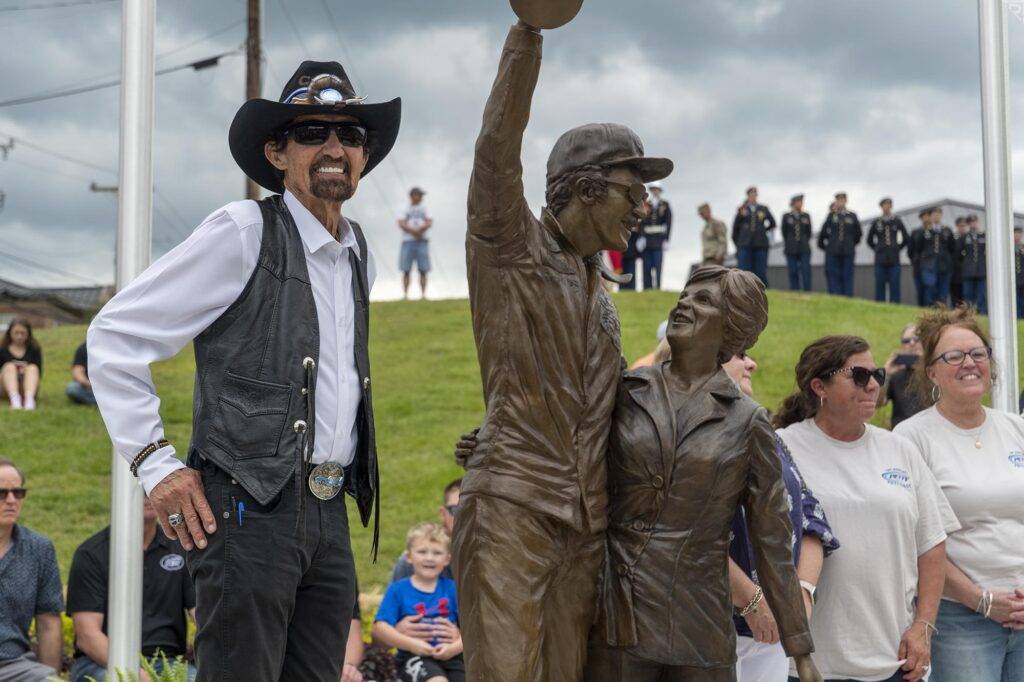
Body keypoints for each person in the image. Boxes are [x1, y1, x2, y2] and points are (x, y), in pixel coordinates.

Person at [87, 61, 397, 681]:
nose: (336, 148)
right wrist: (157, 465)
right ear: (276, 153)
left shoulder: (357, 248)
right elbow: (114, 335)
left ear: (363, 157)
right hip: (248, 507)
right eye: (312, 133)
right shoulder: (243, 230)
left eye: (351, 136)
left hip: (329, 512)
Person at [456, 16, 673, 682]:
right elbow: (497, 147)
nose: (643, 208)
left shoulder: (601, 294)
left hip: (584, 525)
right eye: (633, 193)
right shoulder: (509, 249)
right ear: (584, 188)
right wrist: (529, 33)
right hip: (515, 511)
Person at [587, 265, 820, 682]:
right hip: (619, 611)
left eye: (704, 300)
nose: (684, 304)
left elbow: (772, 540)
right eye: (686, 294)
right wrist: (493, 445)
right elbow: (570, 449)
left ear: (733, 330)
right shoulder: (625, 390)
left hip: (700, 623)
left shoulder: (747, 423)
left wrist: (799, 647)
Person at [773, 336, 956, 682]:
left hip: (894, 661)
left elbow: (932, 545)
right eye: (858, 375)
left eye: (877, 375)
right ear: (819, 386)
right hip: (807, 664)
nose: (872, 385)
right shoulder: (782, 448)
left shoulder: (899, 450)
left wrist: (923, 626)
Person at [894, 306, 1024, 682]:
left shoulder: (1017, 429)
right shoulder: (911, 438)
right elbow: (919, 542)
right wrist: (980, 601)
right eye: (954, 355)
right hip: (960, 620)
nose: (969, 363)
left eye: (978, 353)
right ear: (931, 371)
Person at [722, 353, 839, 682]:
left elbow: (811, 517)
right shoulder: (689, 432)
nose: (753, 364)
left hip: (773, 635)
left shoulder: (762, 428)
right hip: (711, 632)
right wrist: (752, 601)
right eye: (740, 355)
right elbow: (688, 532)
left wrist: (801, 595)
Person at [67, 498, 197, 682]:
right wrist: (136, 675)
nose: (146, 493)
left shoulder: (180, 548)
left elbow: (201, 614)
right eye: (139, 486)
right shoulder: (91, 554)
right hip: (101, 663)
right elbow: (87, 636)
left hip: (169, 663)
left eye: (151, 484)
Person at [374, 522, 464, 682]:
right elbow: (380, 628)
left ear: (447, 559)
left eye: (437, 553)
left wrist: (453, 648)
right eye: (422, 552)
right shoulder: (398, 590)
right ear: (408, 556)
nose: (429, 558)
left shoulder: (453, 589)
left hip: (451, 656)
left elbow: (472, 630)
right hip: (413, 656)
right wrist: (410, 644)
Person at [0, 458, 63, 682]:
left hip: (15, 667)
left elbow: (49, 622)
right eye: (2, 493)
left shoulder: (39, 549)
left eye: (18, 493)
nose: (11, 500)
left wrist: (51, 674)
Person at [390, 479, 460, 583]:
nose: (464, 517)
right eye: (456, 510)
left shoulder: (491, 558)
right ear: (443, 513)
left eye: (472, 509)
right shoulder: (412, 562)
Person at [878, 323, 930, 429]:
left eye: (916, 339)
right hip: (901, 436)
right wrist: (885, 373)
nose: (911, 343)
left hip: (930, 435)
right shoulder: (896, 374)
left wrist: (924, 363)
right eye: (906, 341)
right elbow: (877, 403)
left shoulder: (936, 372)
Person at [816, 192, 861, 297]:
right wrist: (829, 247)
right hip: (833, 251)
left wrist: (850, 244)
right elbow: (823, 233)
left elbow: (858, 234)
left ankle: (848, 296)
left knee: (847, 276)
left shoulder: (852, 216)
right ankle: (836, 296)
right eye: (838, 200)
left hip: (848, 251)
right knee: (834, 276)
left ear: (845, 201)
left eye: (842, 200)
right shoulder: (831, 216)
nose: (840, 202)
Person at [866, 197, 909, 303]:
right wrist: (877, 249)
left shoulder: (897, 220)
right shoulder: (877, 222)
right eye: (884, 205)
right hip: (880, 258)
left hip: (894, 258)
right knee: (880, 284)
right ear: (881, 207)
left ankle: (895, 304)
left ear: (891, 206)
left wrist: (897, 248)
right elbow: (869, 240)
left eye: (889, 204)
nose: (887, 207)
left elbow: (906, 238)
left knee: (895, 284)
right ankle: (880, 304)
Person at [732, 186, 776, 285]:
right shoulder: (742, 209)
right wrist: (739, 242)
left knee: (760, 270)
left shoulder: (763, 209)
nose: (753, 197)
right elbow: (735, 229)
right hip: (745, 244)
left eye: (754, 195)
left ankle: (762, 291)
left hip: (760, 244)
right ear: (747, 196)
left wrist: (763, 230)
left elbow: (773, 223)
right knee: (744, 270)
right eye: (751, 195)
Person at [398, 186, 432, 300]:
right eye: (419, 195)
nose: (421, 197)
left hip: (422, 241)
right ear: (413, 196)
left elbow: (429, 221)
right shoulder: (404, 208)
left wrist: (419, 231)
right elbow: (401, 222)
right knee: (406, 270)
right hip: (408, 241)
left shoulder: (425, 207)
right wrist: (413, 231)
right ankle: (405, 295)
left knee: (423, 270)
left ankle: (423, 295)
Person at [0, 319, 42, 410]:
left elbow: (39, 373)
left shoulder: (34, 349)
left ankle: (29, 401)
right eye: (16, 333)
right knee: (9, 366)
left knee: (32, 368)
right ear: (10, 333)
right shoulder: (2, 349)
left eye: (23, 333)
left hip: (27, 385)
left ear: (28, 334)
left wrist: (25, 370)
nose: (19, 336)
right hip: (5, 387)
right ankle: (15, 400)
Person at [638, 181, 671, 289]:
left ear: (660, 191)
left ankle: (657, 287)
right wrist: (641, 236)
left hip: (658, 239)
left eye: (657, 189)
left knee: (658, 265)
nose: (655, 191)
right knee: (646, 266)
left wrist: (666, 239)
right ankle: (647, 287)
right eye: (653, 189)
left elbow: (668, 223)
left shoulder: (665, 205)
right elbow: (641, 221)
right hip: (647, 238)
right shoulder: (646, 204)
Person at [781, 194, 813, 291]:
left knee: (805, 270)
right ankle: (794, 290)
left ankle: (807, 290)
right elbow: (784, 232)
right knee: (793, 270)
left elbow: (809, 232)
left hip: (804, 247)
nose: (800, 204)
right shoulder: (786, 216)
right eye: (798, 202)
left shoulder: (806, 216)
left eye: (801, 202)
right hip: (791, 248)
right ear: (793, 203)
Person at [959, 214, 987, 314]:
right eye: (971, 222)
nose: (973, 224)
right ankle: (967, 314)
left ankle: (981, 312)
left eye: (975, 222)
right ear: (968, 224)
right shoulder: (964, 237)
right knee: (968, 294)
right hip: (968, 270)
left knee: (981, 294)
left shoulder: (983, 236)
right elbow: (958, 253)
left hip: (981, 270)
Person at [907, 210, 928, 307]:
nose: (926, 219)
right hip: (918, 265)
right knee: (920, 290)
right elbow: (910, 250)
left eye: (928, 216)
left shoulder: (936, 232)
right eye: (924, 217)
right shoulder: (915, 232)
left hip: (931, 266)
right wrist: (915, 260)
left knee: (930, 290)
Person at [66, 339, 96, 405]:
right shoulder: (83, 348)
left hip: (112, 385)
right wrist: (88, 384)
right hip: (91, 387)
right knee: (72, 388)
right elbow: (77, 371)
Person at [949, 217, 969, 307]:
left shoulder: (970, 238)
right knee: (955, 295)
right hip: (955, 272)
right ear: (957, 226)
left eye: (964, 226)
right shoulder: (953, 238)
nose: (963, 228)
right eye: (961, 226)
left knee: (966, 296)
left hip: (967, 272)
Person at [1015, 226, 1024, 320]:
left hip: (1022, 277)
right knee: (1016, 299)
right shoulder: (1009, 247)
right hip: (1015, 278)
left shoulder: (1022, 247)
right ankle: (1018, 316)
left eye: (1019, 234)